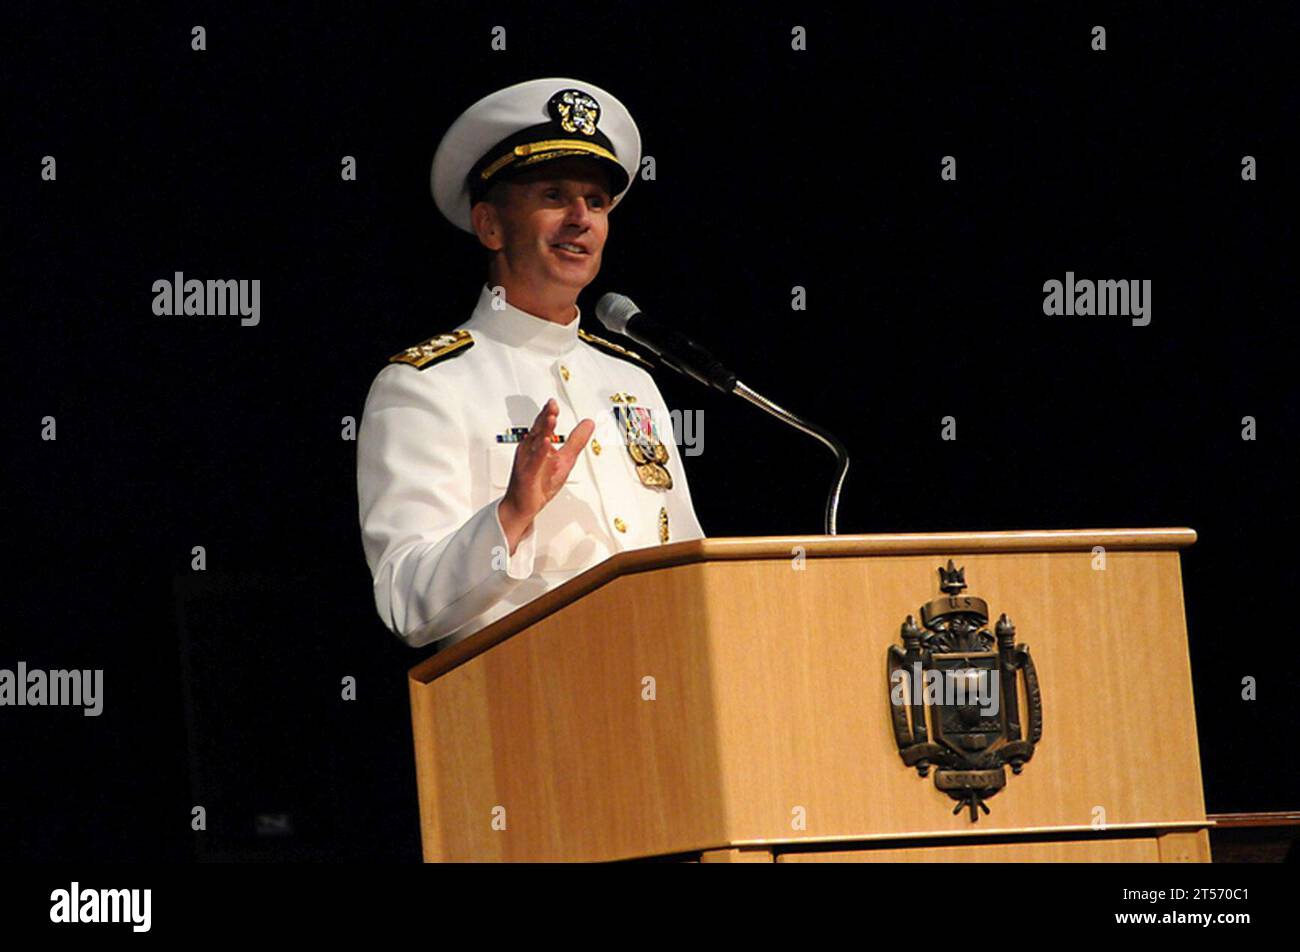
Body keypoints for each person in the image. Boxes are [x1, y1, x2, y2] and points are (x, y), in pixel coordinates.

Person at [357, 78, 705, 650]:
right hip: (528, 712)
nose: (581, 217)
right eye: (553, 195)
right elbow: (405, 600)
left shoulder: (633, 380)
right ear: (490, 225)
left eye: (596, 202)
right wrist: (511, 513)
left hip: (663, 698)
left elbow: (686, 561)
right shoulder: (425, 385)